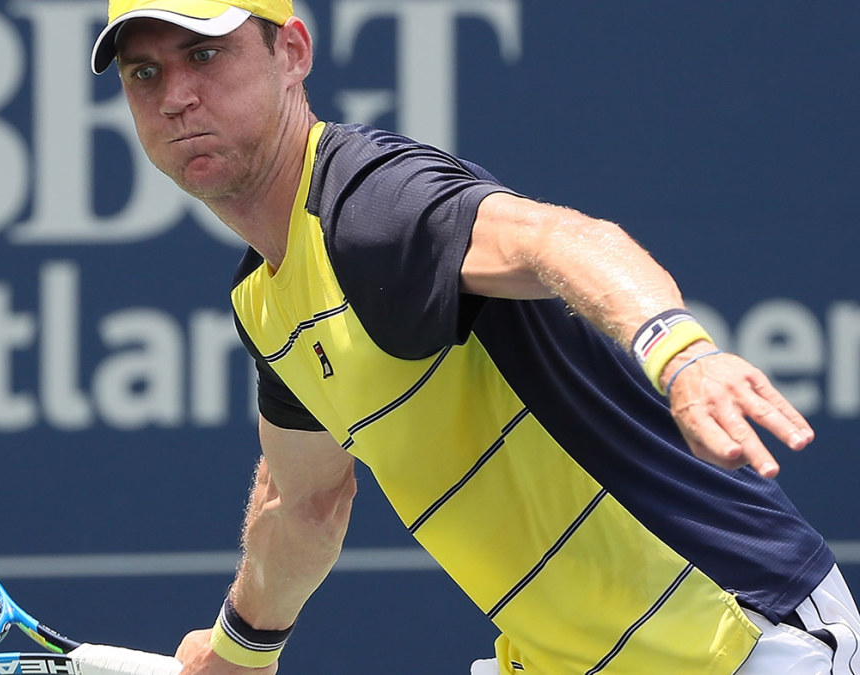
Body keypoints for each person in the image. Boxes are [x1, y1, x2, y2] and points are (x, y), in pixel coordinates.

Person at [89, 0, 860, 672]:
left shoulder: (371, 206)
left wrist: (680, 353)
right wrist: (241, 647)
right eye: (144, 74)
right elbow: (302, 500)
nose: (176, 97)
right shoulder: (266, 298)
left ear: (291, 53)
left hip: (738, 633)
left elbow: (555, 240)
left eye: (205, 55)